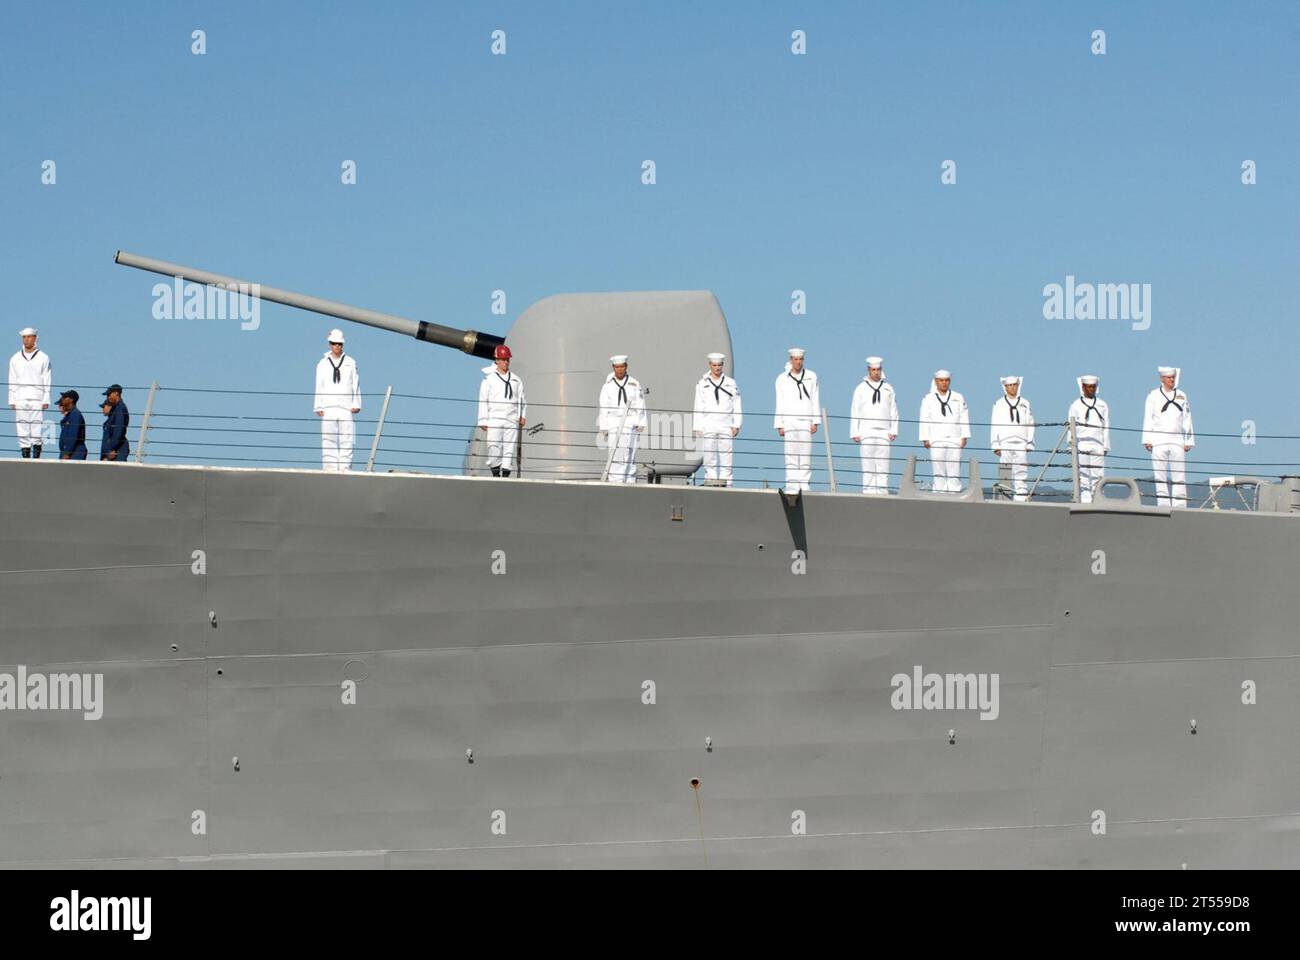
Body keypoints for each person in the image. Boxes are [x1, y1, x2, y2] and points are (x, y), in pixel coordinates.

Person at [1143, 365, 1195, 508]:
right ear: (1162, 379)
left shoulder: (1182, 395)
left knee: (1179, 474)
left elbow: (1187, 418)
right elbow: (1148, 418)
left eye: (1173, 377)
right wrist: (1147, 439)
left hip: (1177, 439)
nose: (1171, 380)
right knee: (1160, 475)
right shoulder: (1153, 395)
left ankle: (1180, 504)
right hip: (1158, 440)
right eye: (1169, 377)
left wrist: (1188, 439)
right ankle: (1163, 504)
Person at [773, 348, 820, 495]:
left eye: (801, 359)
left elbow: (815, 398)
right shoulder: (782, 378)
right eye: (796, 359)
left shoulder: (811, 376)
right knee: (791, 454)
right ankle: (792, 485)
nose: (798, 362)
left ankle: (804, 484)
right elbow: (779, 401)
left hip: (805, 419)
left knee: (805, 454)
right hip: (789, 420)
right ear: (791, 360)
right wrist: (779, 424)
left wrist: (815, 421)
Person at [313, 329, 361, 472]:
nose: (337, 347)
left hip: (345, 406)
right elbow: (319, 384)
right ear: (330, 344)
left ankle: (346, 467)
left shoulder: (350, 362)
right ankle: (330, 469)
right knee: (328, 439)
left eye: (339, 344)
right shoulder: (322, 363)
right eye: (334, 344)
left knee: (348, 438)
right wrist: (318, 406)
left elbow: (355, 383)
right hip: (328, 406)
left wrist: (356, 403)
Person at [850, 356, 899, 494]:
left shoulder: (888, 388)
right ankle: (869, 491)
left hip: (884, 430)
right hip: (866, 430)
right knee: (868, 465)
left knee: (883, 464)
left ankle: (882, 490)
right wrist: (855, 432)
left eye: (878, 369)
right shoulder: (860, 388)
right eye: (873, 370)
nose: (876, 372)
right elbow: (855, 410)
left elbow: (893, 410)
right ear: (868, 370)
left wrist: (894, 429)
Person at [692, 352, 742, 486]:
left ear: (722, 365)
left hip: (726, 423)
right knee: (709, 455)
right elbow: (698, 405)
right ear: (710, 365)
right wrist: (698, 426)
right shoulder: (702, 383)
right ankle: (711, 480)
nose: (717, 368)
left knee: (727, 456)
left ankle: (727, 482)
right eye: (714, 365)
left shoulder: (730, 383)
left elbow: (736, 403)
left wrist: (737, 424)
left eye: (719, 365)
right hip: (709, 423)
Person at [477, 344, 526, 477]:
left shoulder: (516, 380)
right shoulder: (488, 380)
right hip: (495, 417)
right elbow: (483, 400)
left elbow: (521, 399)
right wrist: (483, 419)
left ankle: (505, 475)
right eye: (503, 359)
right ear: (497, 360)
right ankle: (495, 473)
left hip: (511, 417)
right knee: (493, 446)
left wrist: (522, 415)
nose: (506, 362)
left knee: (509, 449)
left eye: (507, 360)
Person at [918, 369, 970, 493]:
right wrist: (925, 437)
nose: (944, 383)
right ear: (936, 381)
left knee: (954, 467)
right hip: (936, 437)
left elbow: (964, 416)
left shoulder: (958, 397)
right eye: (941, 380)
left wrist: (965, 435)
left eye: (946, 380)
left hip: (954, 436)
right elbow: (924, 418)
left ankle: (954, 491)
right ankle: (939, 491)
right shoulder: (928, 398)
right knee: (938, 467)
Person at [597, 355, 646, 483]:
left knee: (630, 452)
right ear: (613, 368)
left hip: (630, 421)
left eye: (622, 367)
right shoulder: (607, 386)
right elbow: (604, 407)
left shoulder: (634, 384)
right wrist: (604, 427)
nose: (619, 369)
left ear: (626, 367)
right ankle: (615, 480)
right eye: (617, 367)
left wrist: (640, 422)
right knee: (615, 453)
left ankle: (630, 479)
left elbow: (640, 404)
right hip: (614, 422)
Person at [990, 375, 1035, 501]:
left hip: (1021, 440)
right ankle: (1005, 496)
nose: (1012, 388)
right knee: (1005, 471)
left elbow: (1030, 423)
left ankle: (1021, 495)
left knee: (1021, 470)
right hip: (1005, 441)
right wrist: (995, 444)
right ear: (1005, 387)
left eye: (1014, 385)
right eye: (1009, 385)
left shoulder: (1025, 403)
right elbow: (994, 423)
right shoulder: (999, 404)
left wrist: (1030, 442)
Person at [8, 326, 51, 459]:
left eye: (29, 337)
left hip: (37, 396)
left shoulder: (43, 357)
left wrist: (46, 398)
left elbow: (47, 378)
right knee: (22, 426)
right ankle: (25, 453)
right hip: (20, 396)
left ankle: (37, 452)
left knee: (37, 426)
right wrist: (12, 399)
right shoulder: (15, 358)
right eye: (24, 337)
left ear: (35, 338)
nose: (26, 340)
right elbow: (12, 378)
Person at [1068, 375, 1110, 503]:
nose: (1091, 389)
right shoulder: (1075, 405)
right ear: (1083, 387)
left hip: (1098, 442)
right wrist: (1071, 445)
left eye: (1093, 387)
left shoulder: (1102, 405)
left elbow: (1106, 425)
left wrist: (1106, 445)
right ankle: (1086, 500)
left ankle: (1098, 499)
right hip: (1082, 443)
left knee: (1098, 474)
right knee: (1084, 475)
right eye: (1089, 387)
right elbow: (1070, 426)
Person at [100, 384, 130, 462]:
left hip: (117, 450)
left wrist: (111, 449)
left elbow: (118, 430)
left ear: (116, 393)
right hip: (113, 449)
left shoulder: (120, 408)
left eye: (109, 394)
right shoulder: (116, 409)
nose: (108, 397)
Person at [56, 389, 87, 460]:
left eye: (65, 397)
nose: (62, 399)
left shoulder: (75, 414)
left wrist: (67, 453)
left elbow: (73, 435)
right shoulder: (69, 415)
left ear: (71, 400)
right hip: (68, 452)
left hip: (75, 452)